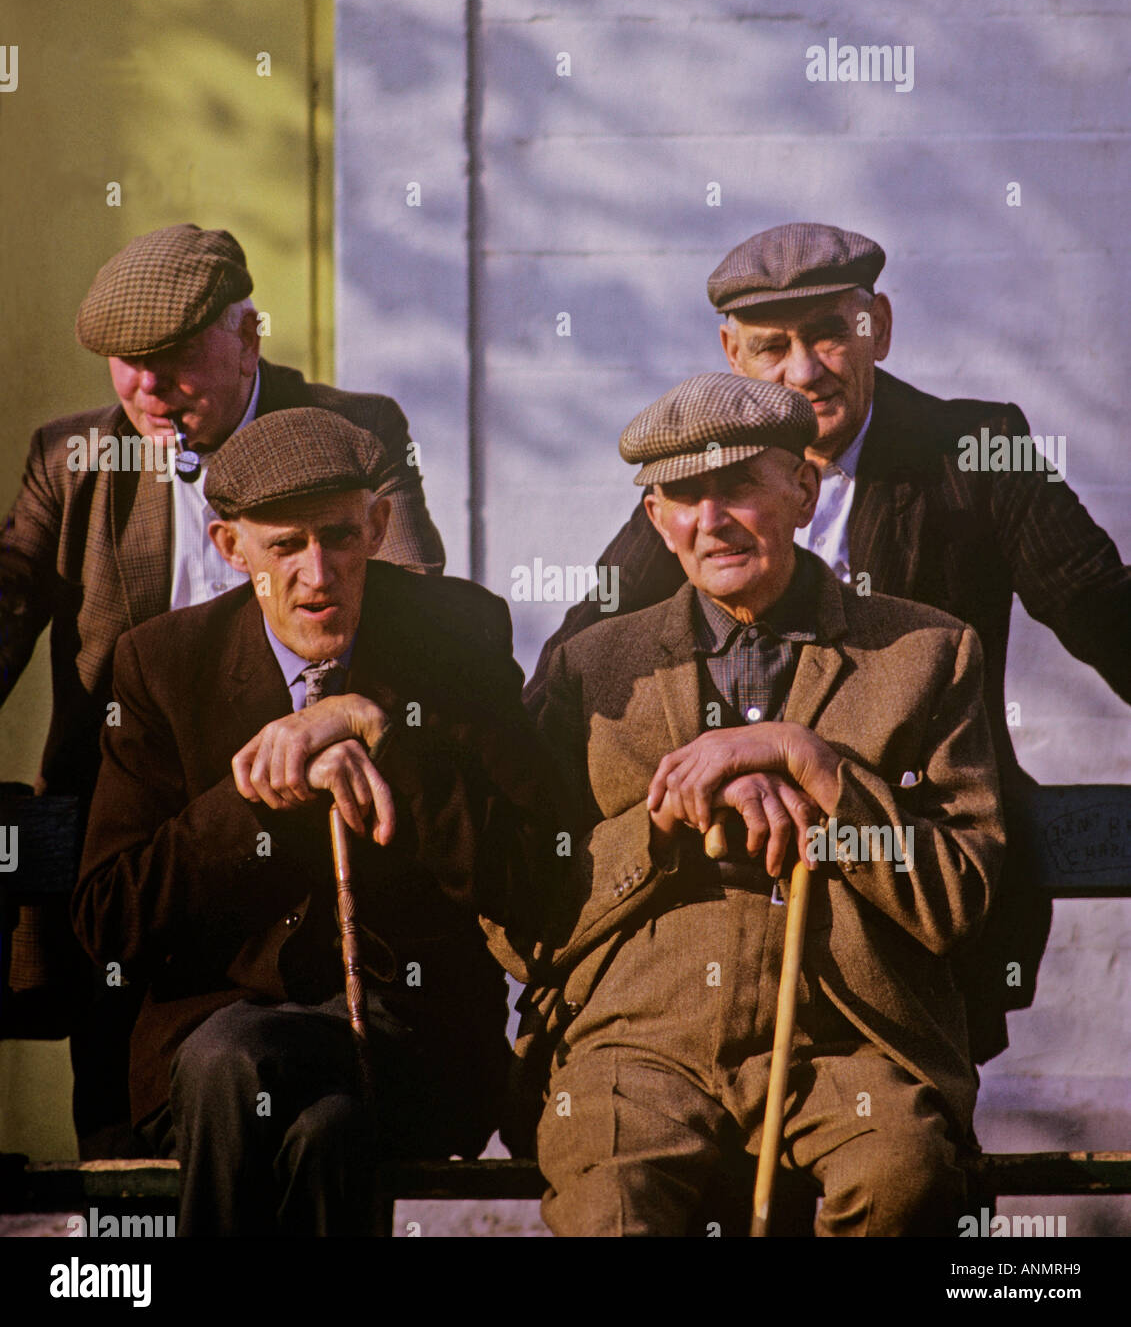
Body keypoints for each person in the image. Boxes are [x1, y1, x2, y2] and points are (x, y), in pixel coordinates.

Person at [524, 221, 1131, 1063]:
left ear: (876, 327)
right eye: (770, 347)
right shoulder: (700, 481)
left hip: (911, 891)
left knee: (907, 1162)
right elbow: (576, 668)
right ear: (731, 352)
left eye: (828, 335)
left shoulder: (976, 449)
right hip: (725, 901)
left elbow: (1104, 608)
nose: (802, 371)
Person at [518, 373, 1005, 1236]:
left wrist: (814, 765)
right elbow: (521, 906)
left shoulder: (926, 652)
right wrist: (663, 822)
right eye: (683, 496)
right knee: (607, 1201)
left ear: (801, 489)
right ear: (657, 518)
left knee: (904, 1175)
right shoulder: (594, 668)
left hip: (850, 1040)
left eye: (739, 484)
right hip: (638, 1040)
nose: (712, 520)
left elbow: (957, 899)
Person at [0, 223, 443, 1154]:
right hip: (134, 828)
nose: (148, 390)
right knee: (123, 1136)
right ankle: (128, 1274)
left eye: (174, 361)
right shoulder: (74, 457)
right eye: (127, 365)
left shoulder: (350, 432)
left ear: (247, 337)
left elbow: (414, 602)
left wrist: (338, 715)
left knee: (295, 1112)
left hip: (313, 811)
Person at [72, 407, 554, 1235]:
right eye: (283, 547)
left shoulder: (455, 635)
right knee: (316, 1123)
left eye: (338, 536)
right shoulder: (163, 663)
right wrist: (255, 793)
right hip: (212, 1054)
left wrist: (379, 733)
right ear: (231, 548)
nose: (317, 574)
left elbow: (533, 877)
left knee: (265, 1078)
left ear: (377, 524)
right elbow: (108, 919)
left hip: (412, 1037)